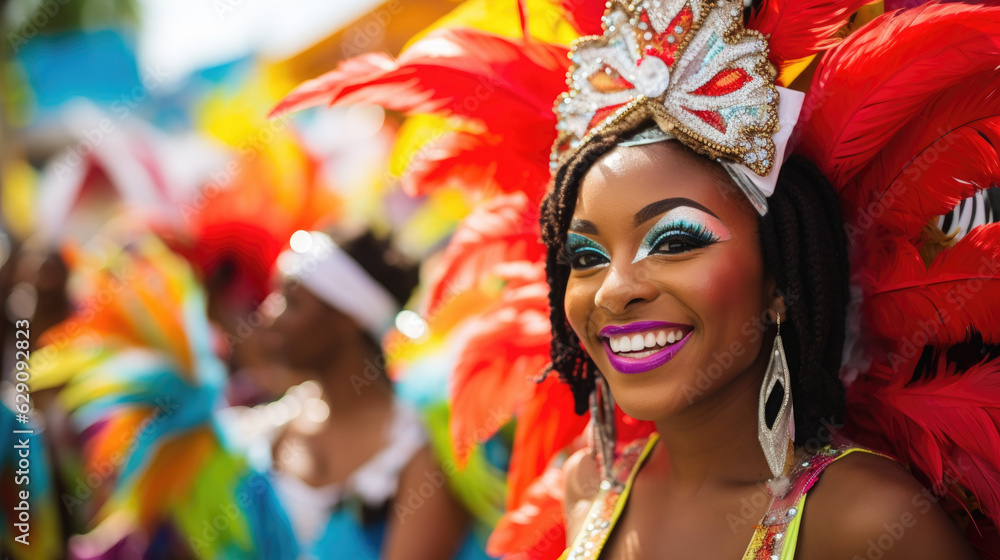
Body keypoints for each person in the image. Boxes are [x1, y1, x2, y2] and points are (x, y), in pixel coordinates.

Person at [224, 229, 480, 560]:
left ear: (347, 318)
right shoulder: (263, 435)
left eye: (292, 301)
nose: (268, 315)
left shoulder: (419, 450)